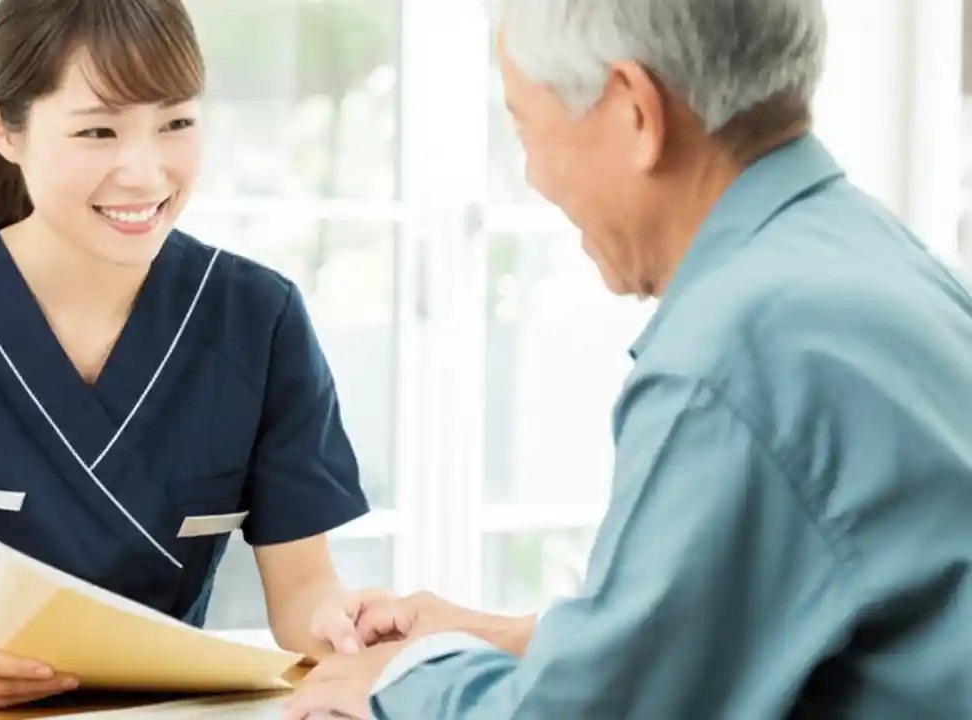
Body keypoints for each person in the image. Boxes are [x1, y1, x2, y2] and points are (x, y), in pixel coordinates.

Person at [284, 0, 972, 718]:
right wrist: (502, 639)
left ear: (635, 111)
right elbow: (735, 629)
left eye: (524, 125)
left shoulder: (738, 352)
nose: (531, 175)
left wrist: (404, 681)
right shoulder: (890, 268)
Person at [0, 0, 381, 711]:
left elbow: (302, 589)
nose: (145, 173)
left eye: (176, 123)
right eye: (97, 131)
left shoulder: (260, 318)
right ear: (4, 129)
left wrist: (341, 626)